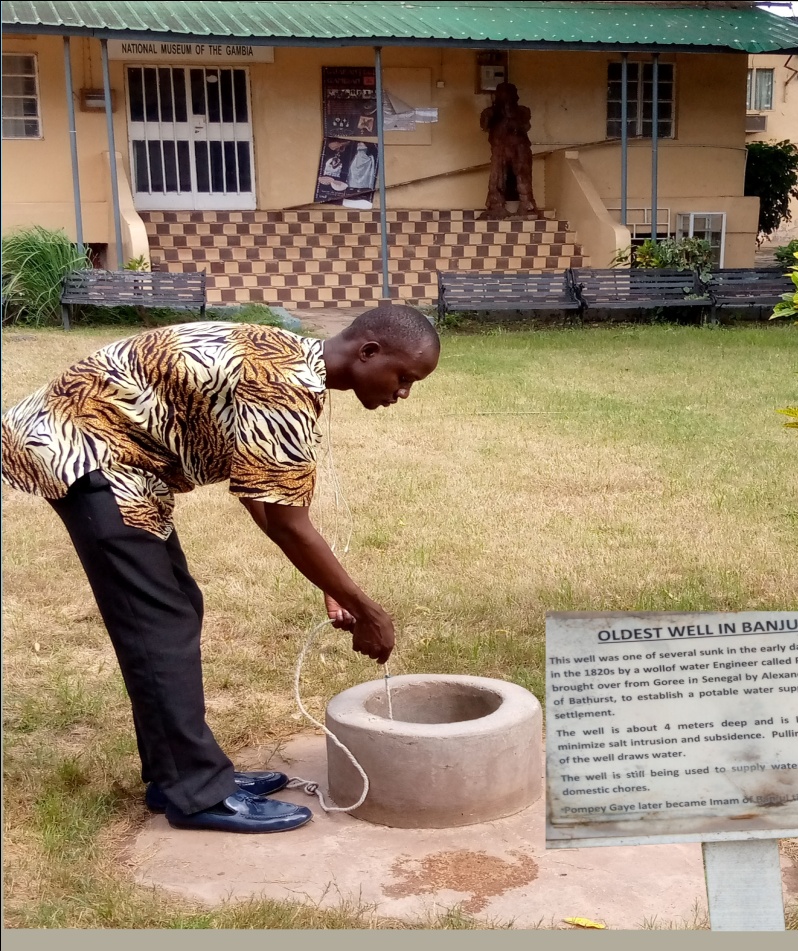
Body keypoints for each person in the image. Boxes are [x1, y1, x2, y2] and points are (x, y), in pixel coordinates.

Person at [1, 305, 440, 834]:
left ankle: (178, 776)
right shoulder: (283, 385)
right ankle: (198, 793)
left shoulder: (291, 364)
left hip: (117, 456)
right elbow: (286, 522)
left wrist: (333, 587)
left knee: (177, 609)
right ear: (368, 351)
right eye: (403, 377)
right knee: (158, 624)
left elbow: (263, 496)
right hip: (86, 448)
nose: (403, 393)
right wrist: (369, 611)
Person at [479, 82, 538, 219]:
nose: (505, 97)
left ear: (515, 95)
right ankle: (496, 206)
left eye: (508, 94)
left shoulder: (522, 111)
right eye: (502, 94)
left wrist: (509, 114)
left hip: (520, 148)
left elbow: (525, 126)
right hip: (500, 149)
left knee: (523, 176)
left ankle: (527, 205)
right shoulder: (490, 113)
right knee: (497, 178)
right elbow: (484, 125)